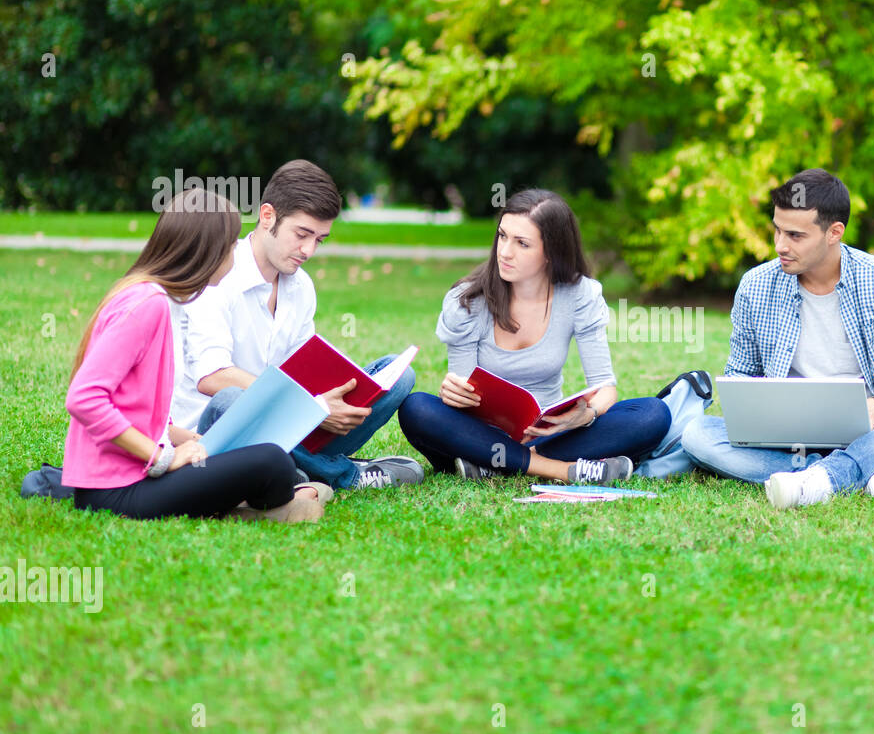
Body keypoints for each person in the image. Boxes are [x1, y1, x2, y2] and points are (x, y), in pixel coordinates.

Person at [680, 168, 874, 509]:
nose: (780, 245)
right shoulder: (755, 285)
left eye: (795, 235)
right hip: (786, 440)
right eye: (777, 230)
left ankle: (824, 478)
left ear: (834, 232)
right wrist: (756, 410)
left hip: (872, 430)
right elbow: (740, 375)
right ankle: (855, 474)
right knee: (696, 434)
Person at [64, 189, 327, 523]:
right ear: (207, 252)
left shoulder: (164, 300)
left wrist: (187, 440)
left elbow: (137, 407)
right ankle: (249, 508)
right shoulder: (148, 304)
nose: (236, 255)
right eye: (231, 245)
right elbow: (84, 398)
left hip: (136, 475)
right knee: (273, 463)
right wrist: (161, 457)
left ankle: (257, 502)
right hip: (116, 490)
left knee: (258, 457)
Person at [171, 159, 423, 491]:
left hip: (288, 421)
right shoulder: (218, 272)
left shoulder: (301, 287)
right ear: (267, 216)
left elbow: (303, 371)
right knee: (231, 399)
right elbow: (212, 378)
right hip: (214, 431)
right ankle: (345, 474)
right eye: (302, 234)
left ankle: (301, 466)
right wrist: (310, 404)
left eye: (319, 239)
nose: (308, 250)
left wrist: (330, 397)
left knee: (398, 375)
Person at [398, 189, 671, 483]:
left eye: (522, 243)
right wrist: (453, 394)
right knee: (417, 408)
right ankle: (561, 470)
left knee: (652, 414)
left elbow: (605, 387)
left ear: (551, 253)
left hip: (550, 435)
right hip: (479, 433)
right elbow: (464, 397)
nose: (505, 251)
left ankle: (493, 465)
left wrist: (587, 414)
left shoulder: (580, 295)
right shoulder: (467, 301)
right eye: (502, 236)